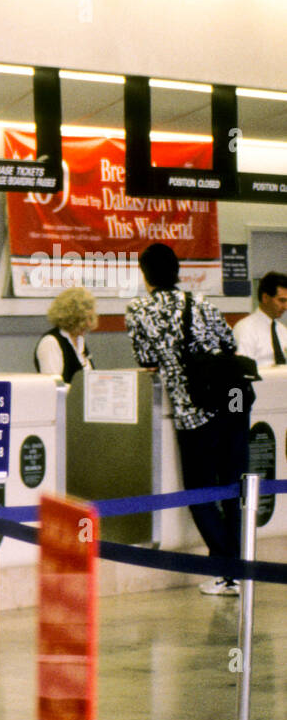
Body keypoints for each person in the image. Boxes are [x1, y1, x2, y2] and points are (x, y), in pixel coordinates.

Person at [124, 243, 248, 596]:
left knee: (200, 491)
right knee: (237, 488)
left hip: (194, 412)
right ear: (178, 272)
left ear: (146, 275)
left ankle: (227, 571)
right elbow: (228, 343)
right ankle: (240, 567)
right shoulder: (203, 302)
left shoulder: (140, 310)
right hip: (234, 403)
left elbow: (147, 359)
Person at [35, 286, 96, 383]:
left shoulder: (80, 342)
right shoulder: (50, 343)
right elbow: (54, 385)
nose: (89, 324)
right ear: (70, 318)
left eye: (90, 318)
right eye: (84, 320)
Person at [232, 271, 287, 369]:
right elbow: (242, 370)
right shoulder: (245, 329)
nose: (285, 307)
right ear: (265, 298)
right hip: (259, 383)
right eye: (281, 300)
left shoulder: (282, 330)